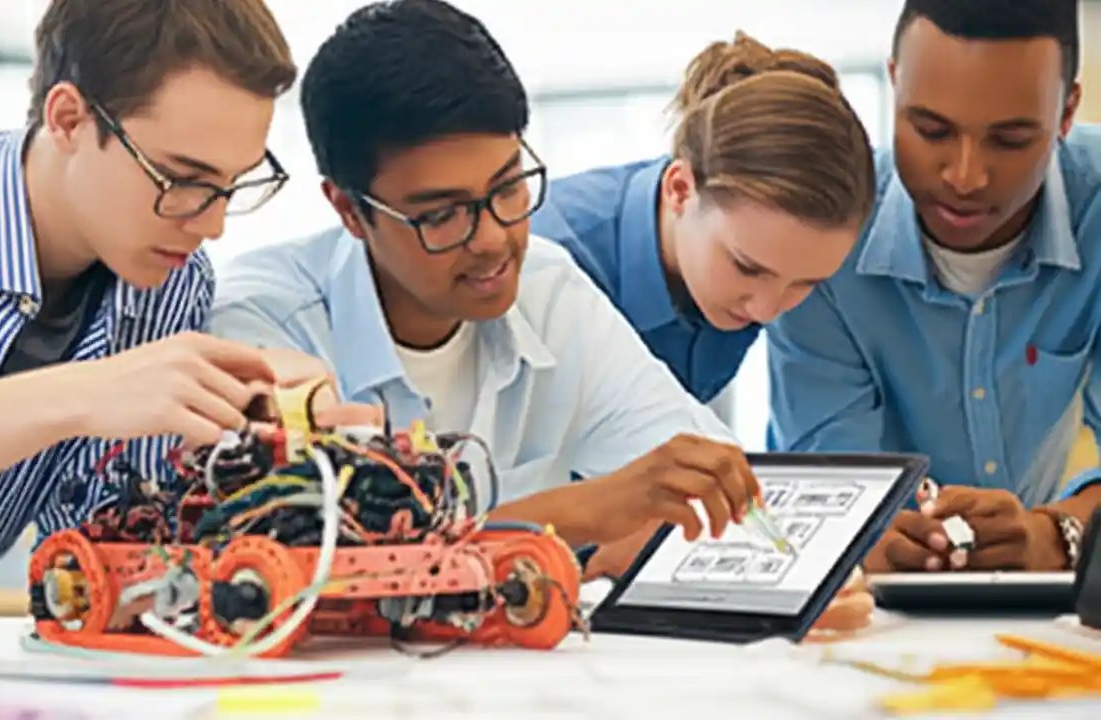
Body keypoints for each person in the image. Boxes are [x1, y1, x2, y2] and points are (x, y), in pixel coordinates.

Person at [210, 0, 872, 634]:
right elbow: (295, 573)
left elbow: (711, 477)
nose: (494, 238)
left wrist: (800, 570)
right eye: (442, 215)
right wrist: (586, 512)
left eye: (508, 187)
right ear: (349, 211)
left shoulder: (547, 288)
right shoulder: (266, 327)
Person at [0, 0, 298, 620]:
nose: (212, 225)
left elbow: (110, 556)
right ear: (68, 118)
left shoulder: (172, 283)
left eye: (231, 186)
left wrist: (281, 462)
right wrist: (84, 394)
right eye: (182, 179)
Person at [767, 0, 1101, 574]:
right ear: (894, 82)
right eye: (932, 130)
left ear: (1066, 111)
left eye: (1010, 139)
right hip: (863, 602)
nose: (965, 177)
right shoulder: (823, 230)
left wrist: (1055, 534)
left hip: (1044, 599)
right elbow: (831, 492)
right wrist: (866, 541)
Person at [530, 31, 876, 403]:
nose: (765, 310)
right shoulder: (543, 267)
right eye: (747, 268)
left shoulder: (739, 259)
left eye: (805, 284)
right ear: (680, 189)